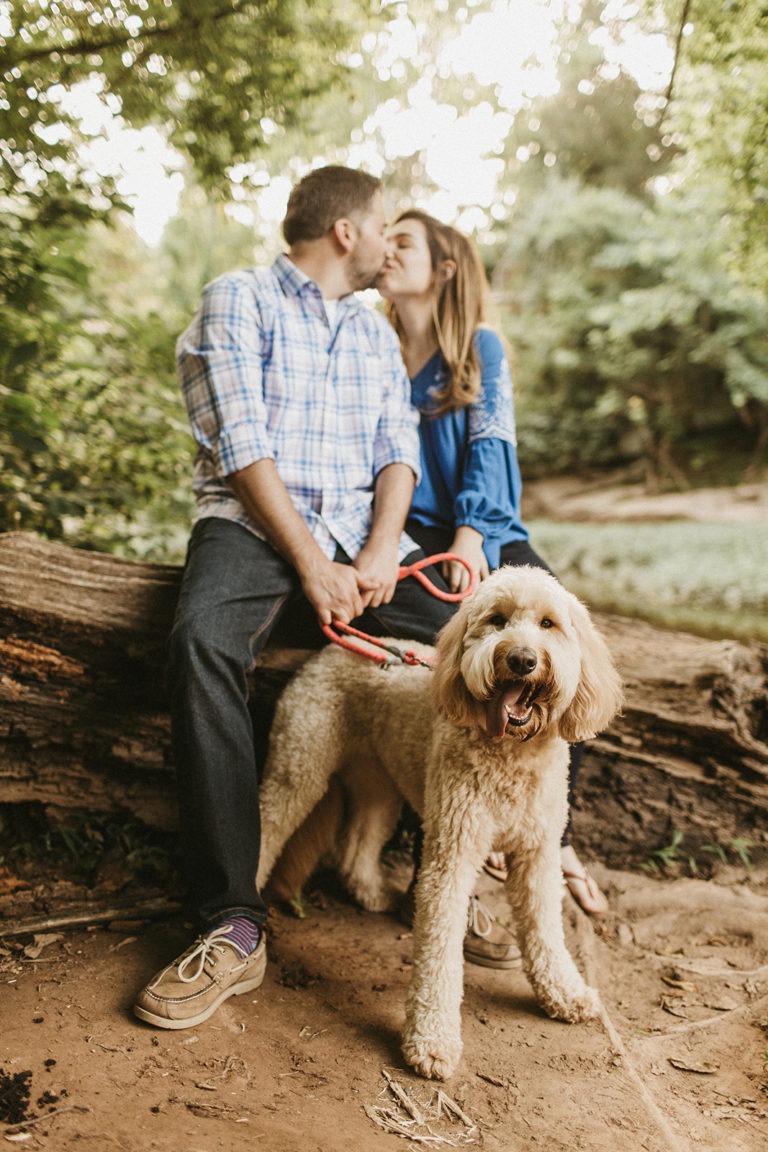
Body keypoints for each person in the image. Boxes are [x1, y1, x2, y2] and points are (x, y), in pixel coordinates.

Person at [133, 167, 510, 1031]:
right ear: (347, 232)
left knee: (478, 646)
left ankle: (457, 871)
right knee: (199, 643)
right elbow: (241, 444)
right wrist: (311, 562)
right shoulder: (237, 299)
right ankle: (232, 922)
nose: (388, 244)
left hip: (360, 537)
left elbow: (396, 452)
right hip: (252, 528)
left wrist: (378, 552)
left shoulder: (372, 333)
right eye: (383, 228)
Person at [376, 208, 608, 916]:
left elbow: (492, 445)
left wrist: (472, 534)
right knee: (442, 644)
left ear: (444, 268)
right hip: (407, 537)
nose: (386, 249)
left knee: (562, 639)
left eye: (403, 242)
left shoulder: (480, 348)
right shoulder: (374, 348)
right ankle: (449, 851)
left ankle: (553, 836)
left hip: (486, 529)